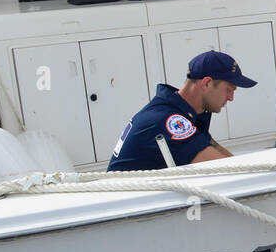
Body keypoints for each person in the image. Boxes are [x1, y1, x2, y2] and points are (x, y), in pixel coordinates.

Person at [108, 51, 257, 171]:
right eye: (229, 90)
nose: (231, 98)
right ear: (207, 83)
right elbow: (227, 170)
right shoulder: (169, 121)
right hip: (123, 205)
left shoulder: (180, 111)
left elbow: (224, 156)